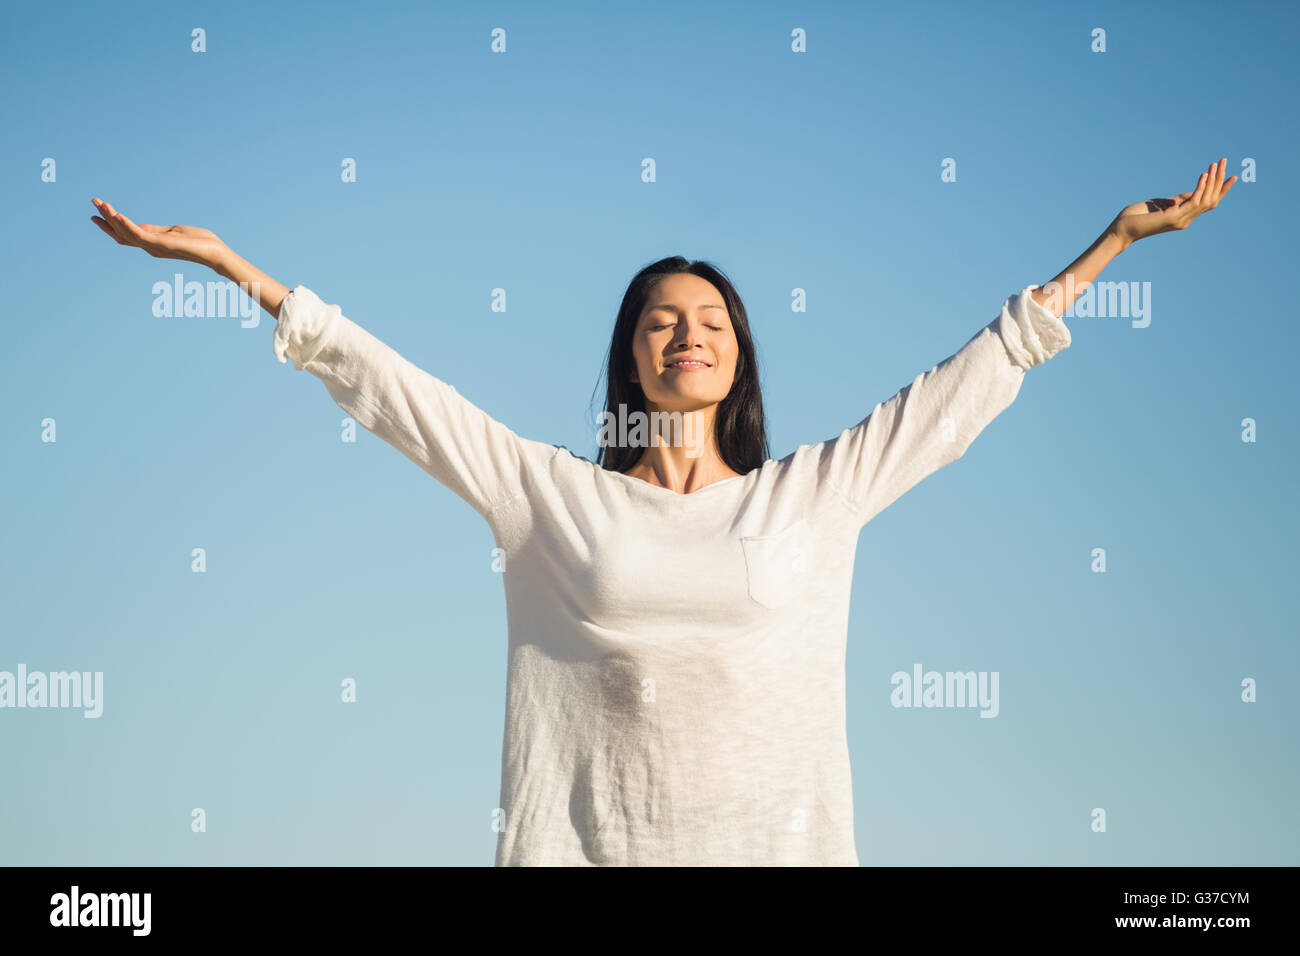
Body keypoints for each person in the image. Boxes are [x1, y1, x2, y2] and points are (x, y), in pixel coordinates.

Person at [89, 159, 1236, 865]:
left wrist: (1114, 247)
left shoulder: (814, 492)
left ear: (737, 360)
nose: (687, 333)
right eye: (659, 320)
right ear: (630, 356)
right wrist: (240, 270)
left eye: (712, 321)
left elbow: (973, 378)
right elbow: (395, 393)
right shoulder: (548, 495)